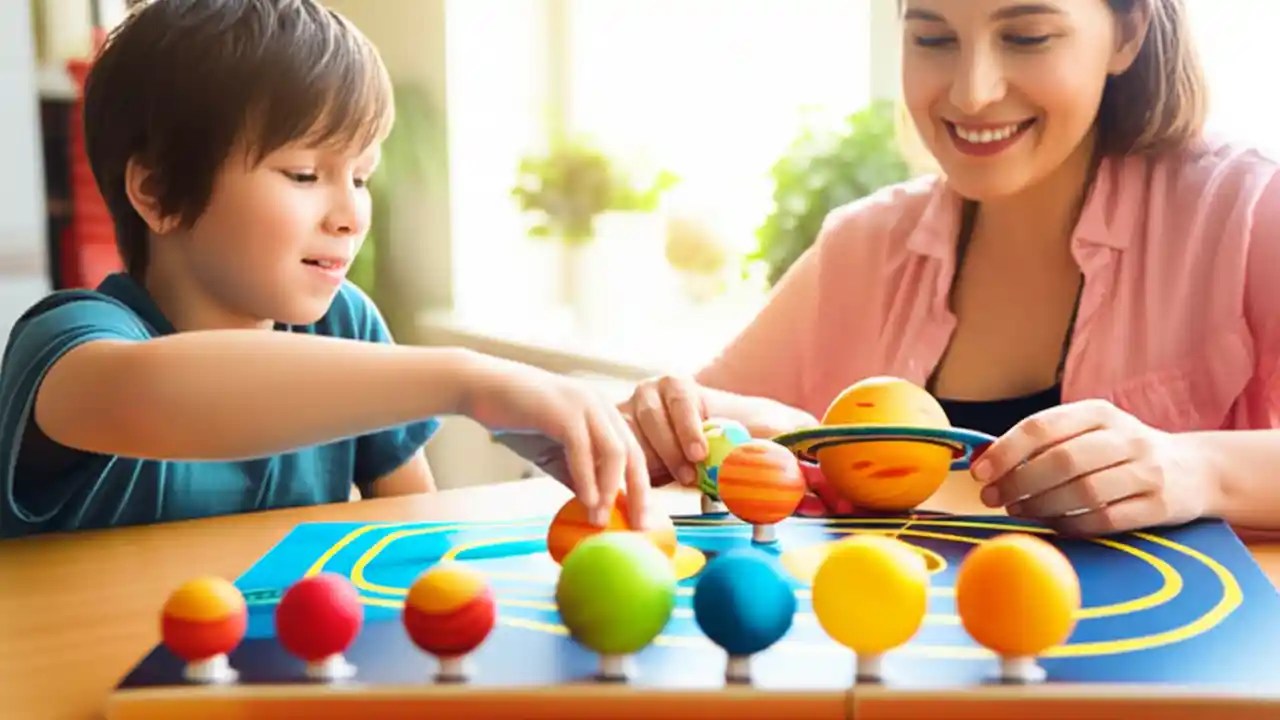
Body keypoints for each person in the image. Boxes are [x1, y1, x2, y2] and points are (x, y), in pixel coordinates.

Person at [621, 0, 1280, 537]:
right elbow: (699, 431)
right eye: (933, 39)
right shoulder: (862, 246)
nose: (973, 92)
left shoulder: (1243, 209)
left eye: (1026, 36)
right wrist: (678, 419)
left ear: (1128, 32)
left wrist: (1196, 468)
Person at [0, 0, 649, 539]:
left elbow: (418, 546)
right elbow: (150, 395)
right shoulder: (66, 345)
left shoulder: (345, 323)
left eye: (360, 177)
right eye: (305, 174)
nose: (350, 216)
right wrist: (468, 380)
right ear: (159, 191)